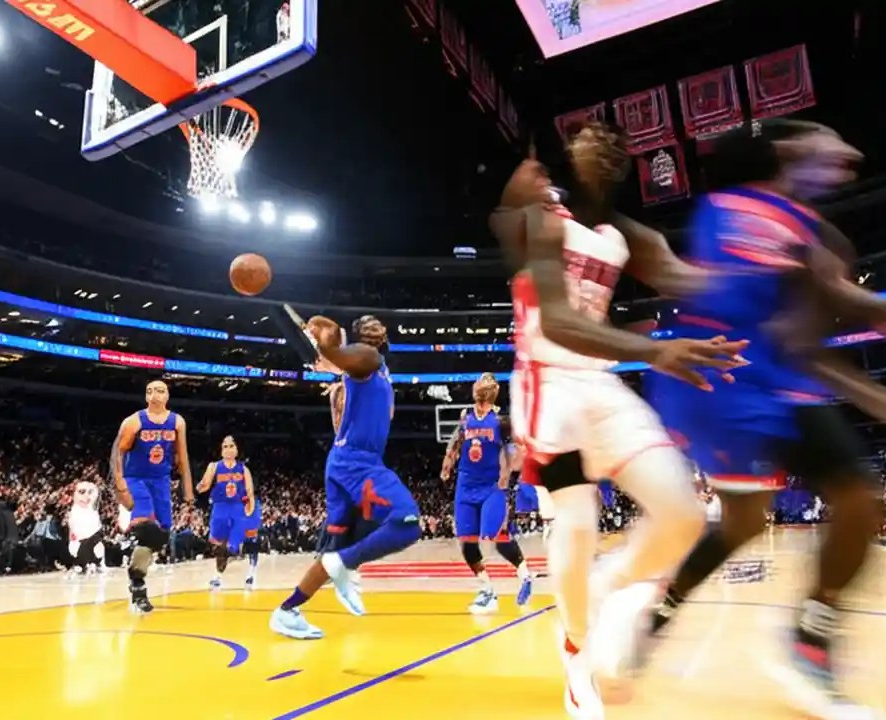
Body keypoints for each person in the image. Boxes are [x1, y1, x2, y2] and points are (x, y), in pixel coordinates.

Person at [642, 119, 886, 718]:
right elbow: (808, 291)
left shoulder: (798, 222)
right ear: (777, 158)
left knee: (858, 501)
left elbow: (829, 291)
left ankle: (811, 641)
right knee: (744, 524)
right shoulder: (725, 209)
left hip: (777, 383)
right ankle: (666, 606)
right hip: (723, 381)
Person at [490, 125, 749, 719]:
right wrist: (659, 351)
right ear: (566, 160)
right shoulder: (541, 220)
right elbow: (555, 321)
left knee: (684, 513)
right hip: (547, 384)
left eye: (611, 138)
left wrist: (765, 281)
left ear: (624, 168)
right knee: (576, 524)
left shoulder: (627, 234)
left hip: (599, 381)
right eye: (584, 136)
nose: (600, 140)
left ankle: (611, 582)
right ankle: (576, 652)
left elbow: (688, 279)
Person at [269, 314, 422, 640]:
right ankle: (346, 566)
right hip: (357, 464)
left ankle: (287, 611)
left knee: (333, 548)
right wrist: (330, 343)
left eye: (376, 321)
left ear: (385, 334)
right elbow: (340, 356)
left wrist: (328, 340)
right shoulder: (367, 357)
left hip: (343, 462)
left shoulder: (376, 367)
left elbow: (337, 359)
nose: (371, 323)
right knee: (407, 522)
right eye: (364, 322)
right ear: (358, 337)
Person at [441, 374, 533, 613]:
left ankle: (524, 574)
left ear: (491, 392)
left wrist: (511, 472)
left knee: (494, 535)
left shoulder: (501, 421)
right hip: (465, 485)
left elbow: (519, 448)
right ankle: (487, 590)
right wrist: (447, 462)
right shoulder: (466, 417)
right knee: (467, 542)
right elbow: (457, 440)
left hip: (491, 486)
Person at [111, 379, 194, 614]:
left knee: (160, 535)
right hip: (136, 478)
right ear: (145, 397)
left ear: (168, 395)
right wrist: (119, 482)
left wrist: (188, 490)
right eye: (149, 391)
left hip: (161, 480)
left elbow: (183, 456)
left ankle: (136, 577)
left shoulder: (177, 422)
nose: (154, 394)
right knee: (146, 522)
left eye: (160, 390)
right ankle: (127, 544)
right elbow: (118, 452)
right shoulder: (134, 421)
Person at [197, 435, 260, 590]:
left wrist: (249, 512)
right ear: (221, 450)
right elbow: (204, 485)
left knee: (247, 541)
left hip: (239, 507)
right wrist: (199, 487)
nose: (228, 449)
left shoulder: (244, 469)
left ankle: (251, 573)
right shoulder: (214, 466)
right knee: (219, 545)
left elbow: (250, 493)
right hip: (220, 507)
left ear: (237, 450)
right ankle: (218, 576)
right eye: (225, 446)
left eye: (231, 446)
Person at [67, 480, 107, 574]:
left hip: (92, 534)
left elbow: (94, 495)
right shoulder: (74, 510)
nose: (85, 496)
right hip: (80, 537)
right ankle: (84, 565)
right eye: (81, 492)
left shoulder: (90, 506)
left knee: (95, 546)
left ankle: (94, 564)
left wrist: (93, 488)